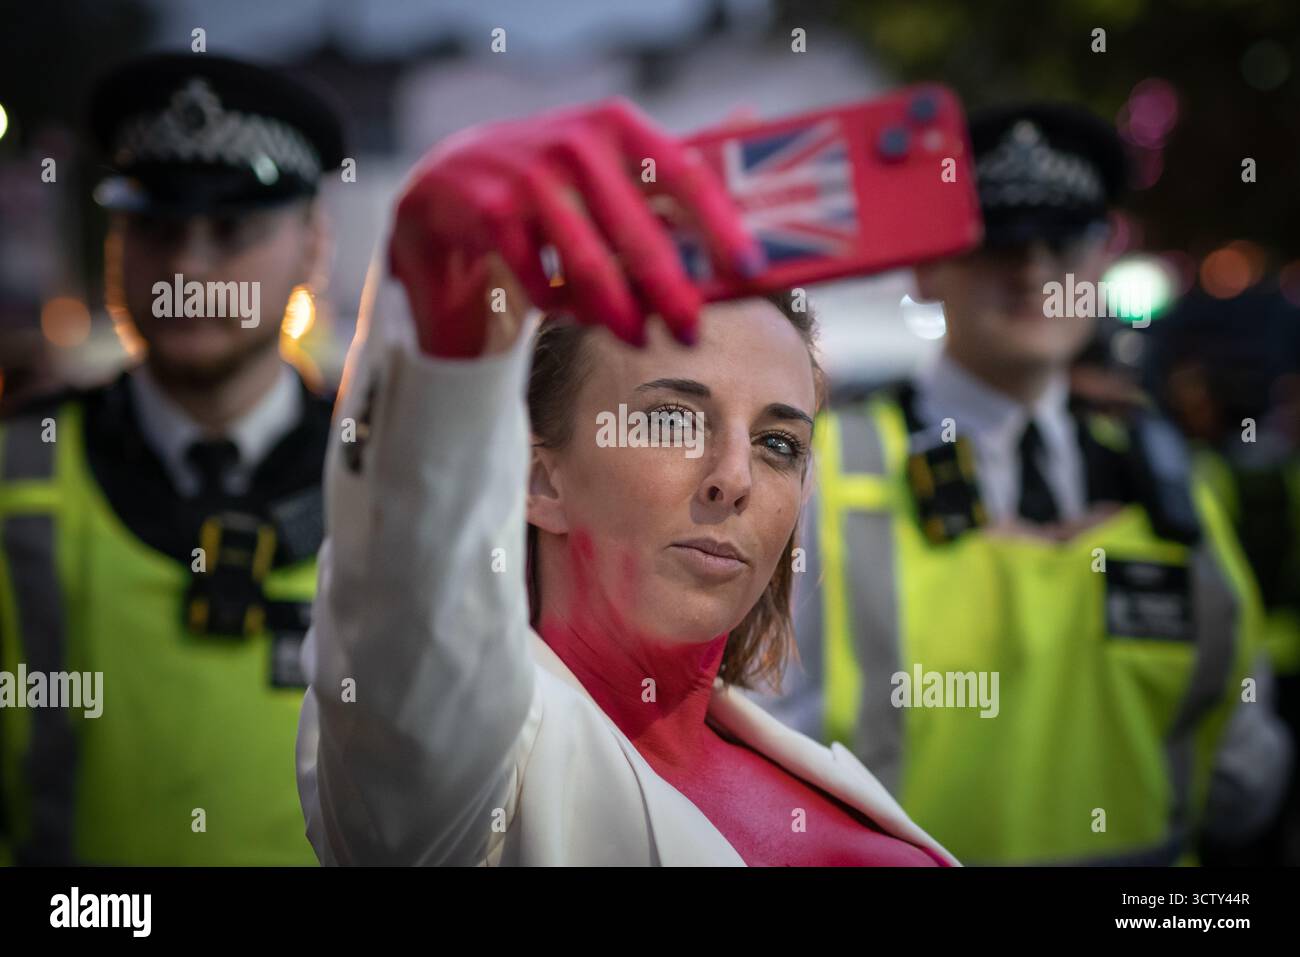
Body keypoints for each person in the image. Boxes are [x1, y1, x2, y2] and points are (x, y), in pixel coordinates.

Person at [295, 99, 959, 866]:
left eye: (779, 442)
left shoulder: (815, 769)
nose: (735, 478)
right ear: (537, 475)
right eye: (674, 420)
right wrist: (438, 325)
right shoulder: (480, 788)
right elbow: (404, 655)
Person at [759, 103, 1291, 865]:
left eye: (1063, 239)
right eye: (998, 240)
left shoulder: (1178, 486)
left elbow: (1243, 772)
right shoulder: (814, 472)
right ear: (927, 264)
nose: (1035, 268)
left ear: (1100, 260)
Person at [0, 52, 344, 864]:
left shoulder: (400, 483)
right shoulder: (17, 473)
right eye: (155, 225)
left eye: (232, 228)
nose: (189, 268)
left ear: (312, 247)